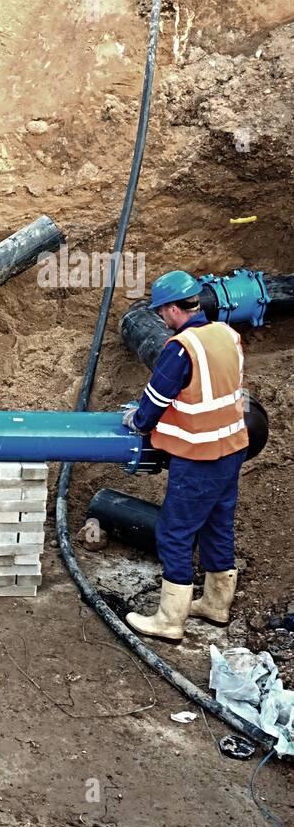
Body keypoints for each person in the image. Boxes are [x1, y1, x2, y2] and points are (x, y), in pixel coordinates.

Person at [122, 270, 248, 642]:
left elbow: (156, 400)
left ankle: (170, 619)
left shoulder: (181, 348)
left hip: (200, 455)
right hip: (232, 448)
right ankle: (215, 604)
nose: (161, 319)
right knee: (217, 525)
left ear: (176, 310)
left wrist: (138, 421)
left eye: (163, 312)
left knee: (175, 532)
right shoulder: (226, 334)